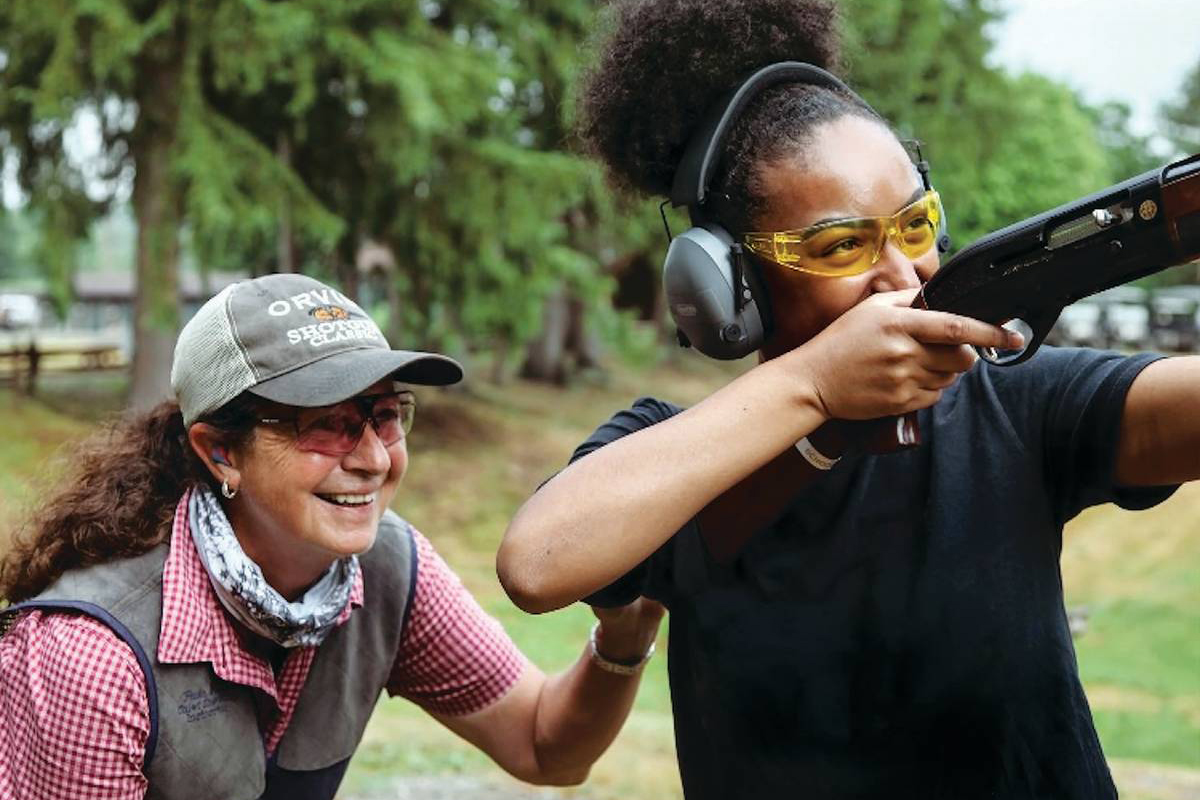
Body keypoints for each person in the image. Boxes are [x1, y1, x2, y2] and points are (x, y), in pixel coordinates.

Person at [495, 1, 1199, 798]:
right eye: (841, 246)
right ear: (730, 286)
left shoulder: (1018, 403)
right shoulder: (675, 458)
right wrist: (815, 386)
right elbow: (536, 563)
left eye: (915, 226)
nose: (902, 275)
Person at [0, 273, 664, 800]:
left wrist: (625, 635)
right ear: (221, 452)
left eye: (385, 415)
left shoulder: (387, 567)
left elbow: (545, 745)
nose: (374, 459)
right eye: (325, 424)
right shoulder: (88, 656)